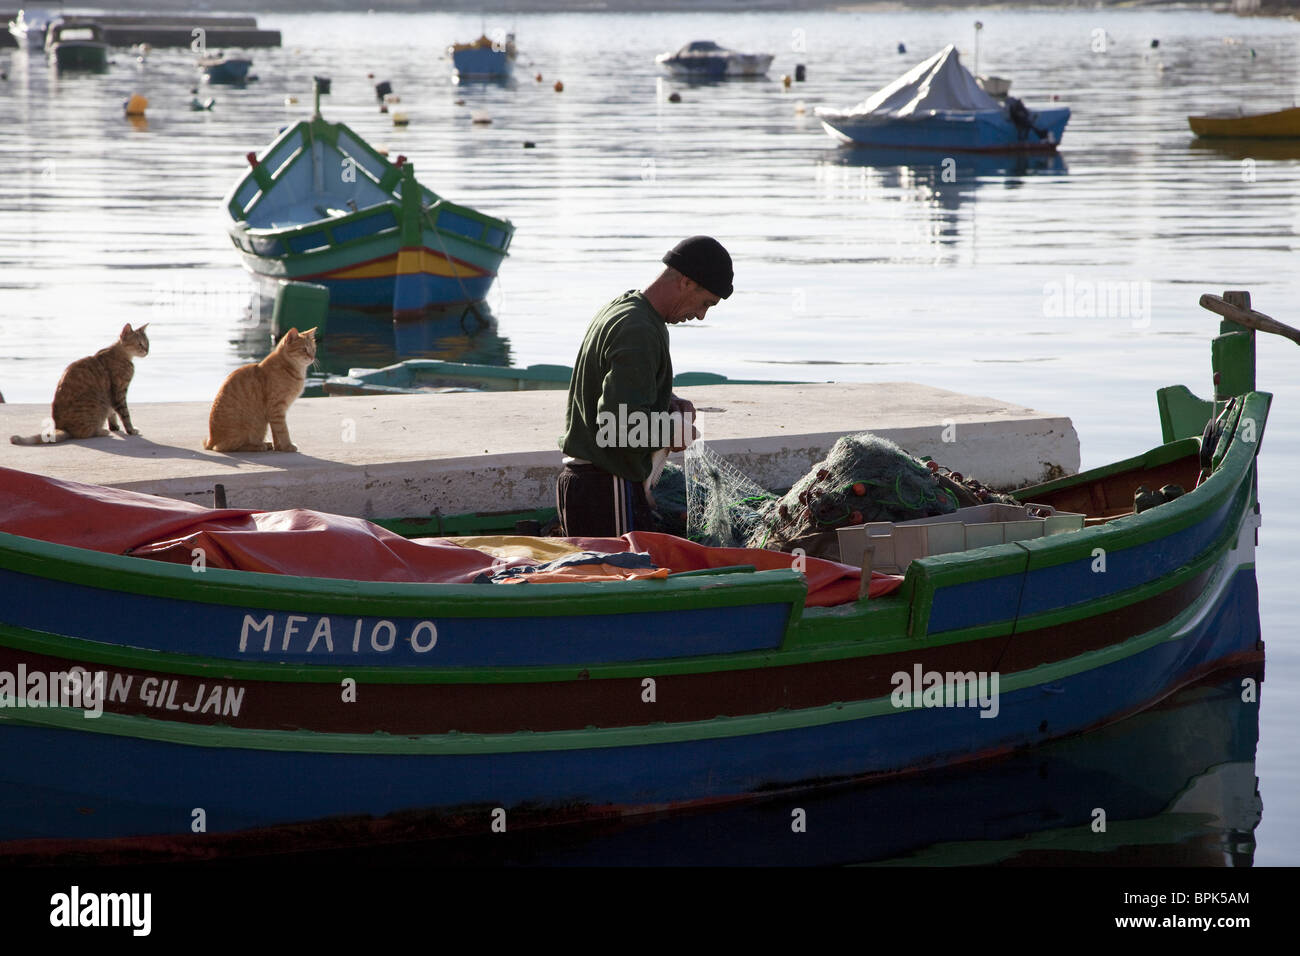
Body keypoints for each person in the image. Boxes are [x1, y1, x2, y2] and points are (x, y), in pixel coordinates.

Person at [557, 236, 733, 537]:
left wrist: (668, 400)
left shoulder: (627, 308)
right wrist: (676, 432)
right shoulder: (639, 330)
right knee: (622, 580)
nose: (701, 315)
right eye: (706, 303)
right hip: (604, 487)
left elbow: (617, 388)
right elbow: (616, 427)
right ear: (687, 282)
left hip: (588, 482)